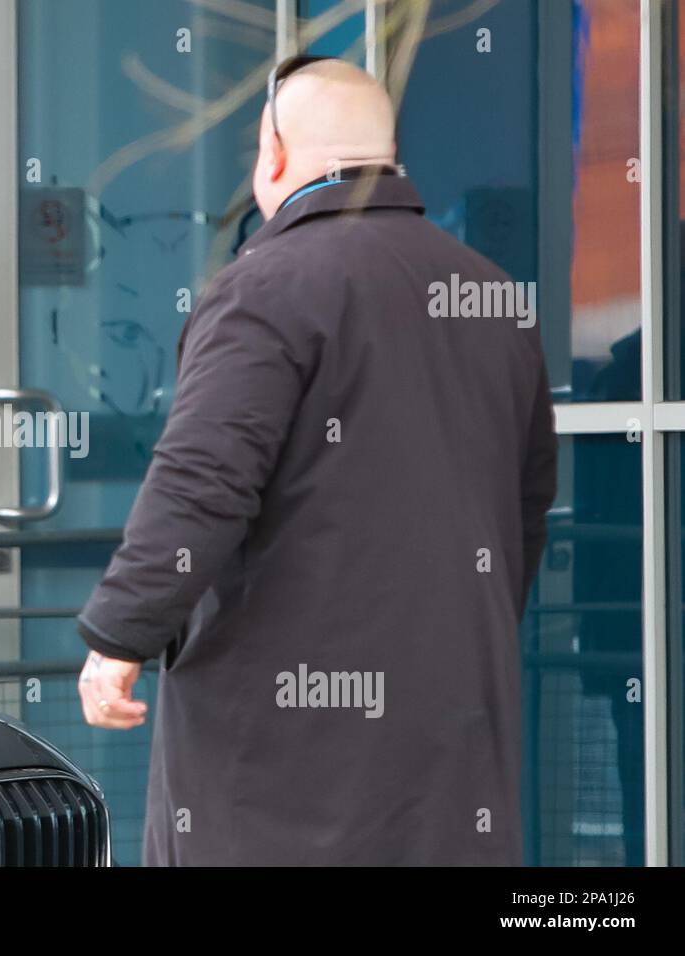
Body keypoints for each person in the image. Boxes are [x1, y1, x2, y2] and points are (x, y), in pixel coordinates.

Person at [75, 57, 558, 865]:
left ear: (272, 154)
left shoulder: (264, 286)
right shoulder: (493, 295)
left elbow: (204, 480)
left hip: (283, 756)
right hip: (453, 725)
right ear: (389, 157)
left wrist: (119, 637)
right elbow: (526, 506)